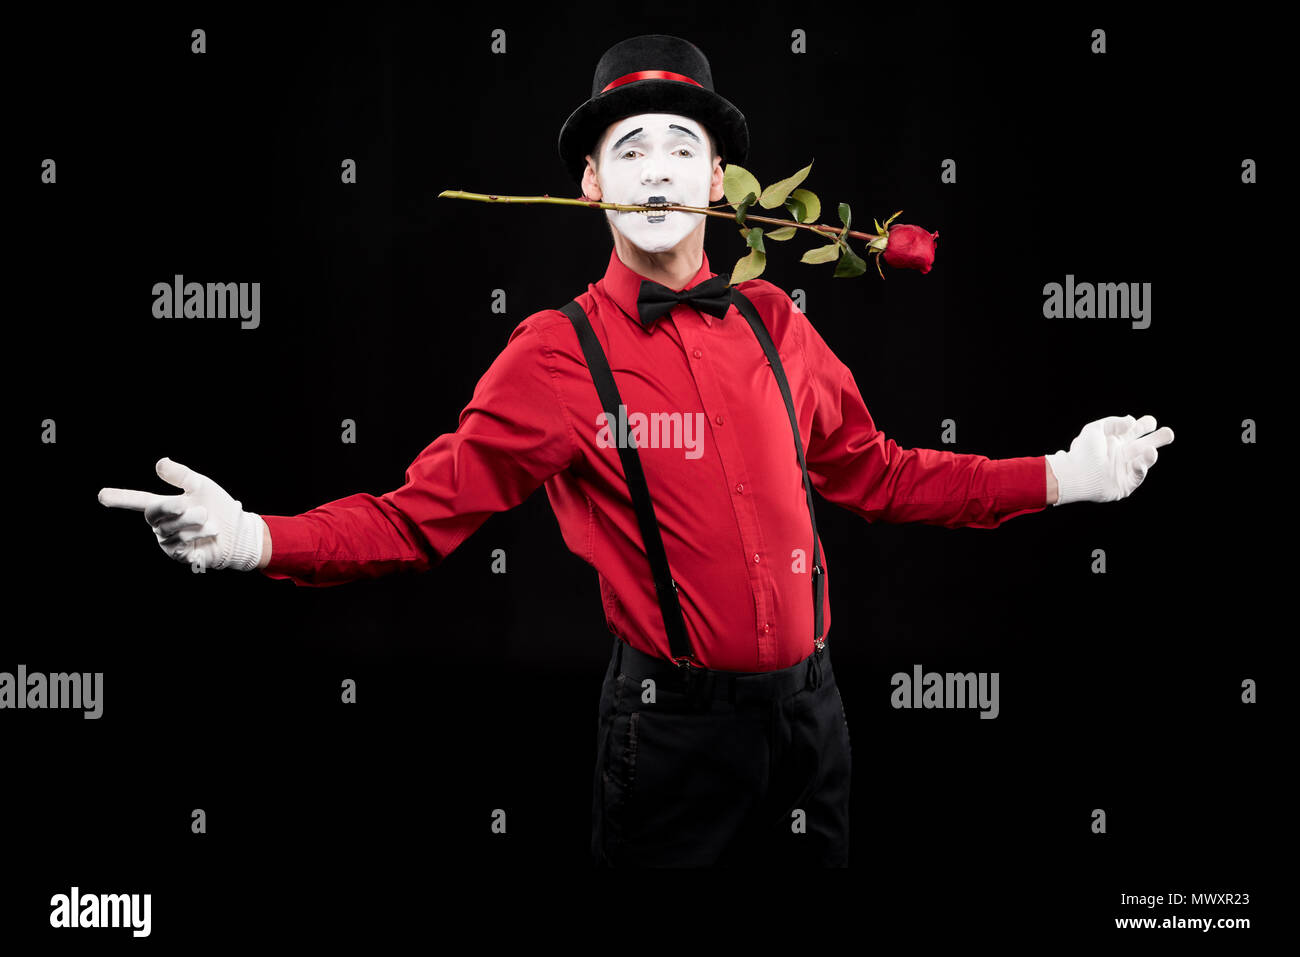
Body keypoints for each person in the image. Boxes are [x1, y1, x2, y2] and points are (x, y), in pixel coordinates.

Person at [97, 34, 1174, 867]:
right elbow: (415, 517)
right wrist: (253, 540)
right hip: (669, 742)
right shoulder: (553, 356)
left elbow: (880, 474)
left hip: (813, 717)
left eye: (680, 146)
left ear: (718, 182)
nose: (655, 168)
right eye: (629, 148)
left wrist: (1066, 476)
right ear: (591, 187)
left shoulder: (778, 322)